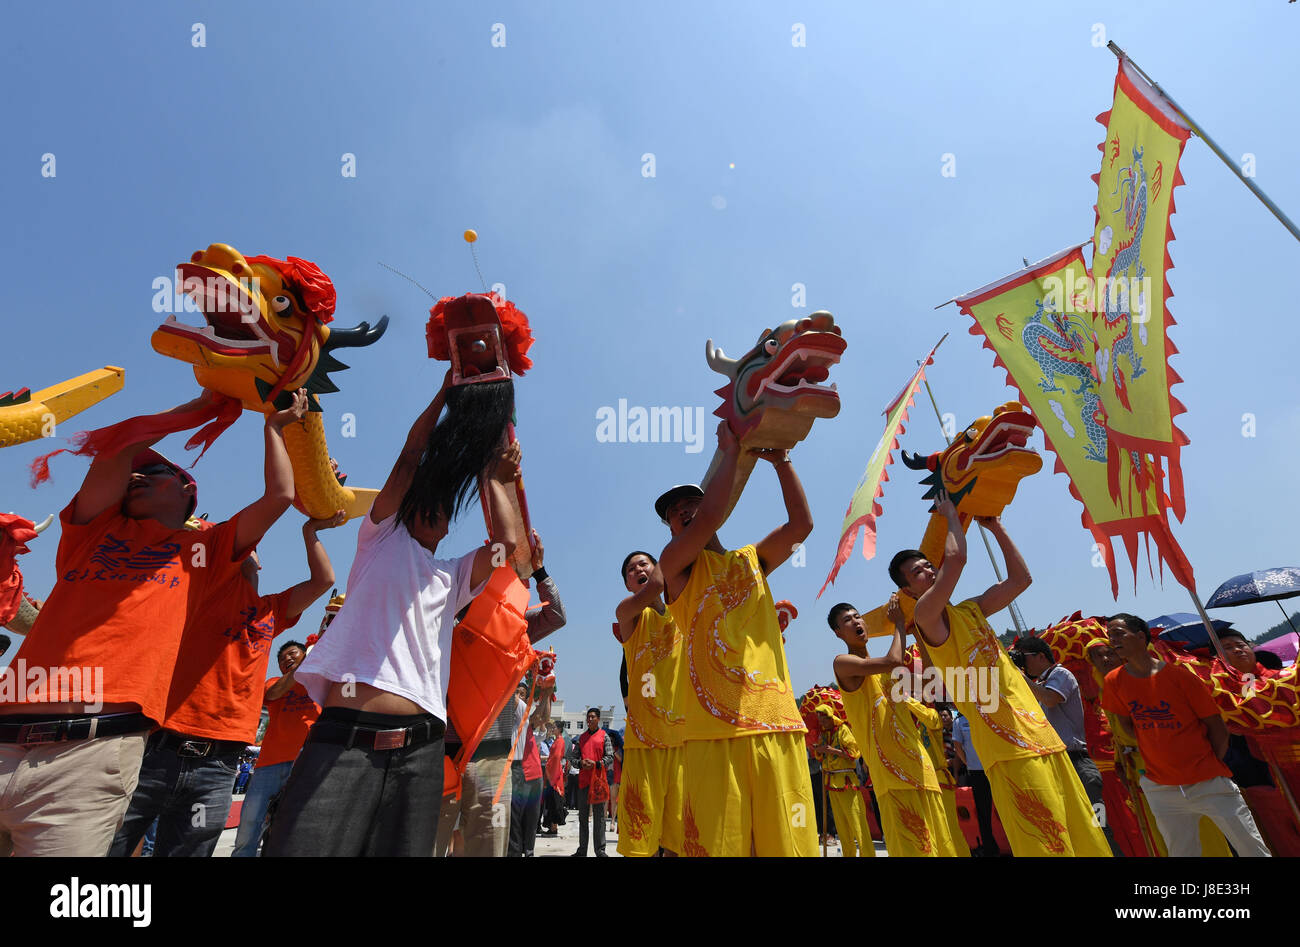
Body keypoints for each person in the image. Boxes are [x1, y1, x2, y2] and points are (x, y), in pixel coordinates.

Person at [0, 391, 304, 857]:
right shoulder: (92, 529)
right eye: (135, 473)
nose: (137, 474)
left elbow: (279, 496)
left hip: (92, 752)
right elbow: (117, 451)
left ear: (188, 492)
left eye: (155, 471)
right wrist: (203, 405)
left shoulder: (204, 555)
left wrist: (274, 427)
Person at [264, 370, 522, 857]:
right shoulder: (380, 536)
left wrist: (494, 480)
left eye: (446, 510)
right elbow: (409, 458)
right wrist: (445, 390)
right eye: (428, 502)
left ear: (448, 527)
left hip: (422, 747)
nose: (437, 512)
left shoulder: (452, 575)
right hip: (344, 738)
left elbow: (505, 546)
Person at [108, 500, 343, 857]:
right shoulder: (201, 594)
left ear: (259, 562)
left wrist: (309, 532)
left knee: (189, 851)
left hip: (220, 764)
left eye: (252, 551)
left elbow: (323, 581)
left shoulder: (272, 611)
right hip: (162, 750)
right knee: (112, 845)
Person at [892, 496, 1110, 857]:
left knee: (1082, 833)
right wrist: (951, 515)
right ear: (908, 591)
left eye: (929, 565)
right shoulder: (926, 615)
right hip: (1005, 746)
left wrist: (995, 527)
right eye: (918, 572)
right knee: (1043, 840)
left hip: (1042, 734)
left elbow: (1021, 579)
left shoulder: (970, 610)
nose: (929, 572)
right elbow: (957, 558)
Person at [656, 421, 817, 857]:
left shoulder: (752, 561)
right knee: (719, 846)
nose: (684, 511)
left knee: (784, 846)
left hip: (776, 721)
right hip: (712, 732)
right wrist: (731, 451)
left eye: (691, 502)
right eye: (674, 513)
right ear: (671, 529)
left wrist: (782, 462)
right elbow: (709, 519)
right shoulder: (672, 566)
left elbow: (801, 525)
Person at [437, 530, 565, 857]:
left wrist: (539, 571)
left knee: (488, 844)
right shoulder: (441, 606)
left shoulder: (511, 624)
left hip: (491, 754)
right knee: (430, 842)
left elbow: (555, 616)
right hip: (438, 750)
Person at [1101, 613, 1271, 857]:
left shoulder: (1180, 676)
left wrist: (1206, 763)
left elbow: (1217, 728)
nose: (1112, 640)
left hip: (1209, 781)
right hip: (1160, 787)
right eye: (1110, 635)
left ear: (1140, 636)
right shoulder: (1114, 681)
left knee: (1251, 849)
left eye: (1118, 633)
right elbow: (1126, 724)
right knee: (1181, 852)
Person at [829, 599, 958, 857]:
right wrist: (899, 622)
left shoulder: (890, 674)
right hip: (891, 775)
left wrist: (919, 632)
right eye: (847, 620)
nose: (856, 621)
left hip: (922, 767)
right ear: (838, 633)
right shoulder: (843, 663)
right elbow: (892, 659)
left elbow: (931, 680)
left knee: (942, 845)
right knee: (913, 848)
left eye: (857, 616)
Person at [1017, 635, 1123, 856]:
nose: (1021, 663)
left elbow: (1050, 699)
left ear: (1040, 656)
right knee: (1073, 830)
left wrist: (1019, 676)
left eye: (1022, 657)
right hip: (1057, 768)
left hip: (1079, 765)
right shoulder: (1037, 684)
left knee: (1099, 825)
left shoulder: (1060, 674)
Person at [613, 550, 685, 857]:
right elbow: (655, 588)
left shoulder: (684, 612)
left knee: (680, 837)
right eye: (631, 569)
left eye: (644, 563)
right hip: (644, 743)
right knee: (641, 841)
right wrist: (666, 567)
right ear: (629, 584)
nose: (638, 569)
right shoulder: (628, 615)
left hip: (684, 740)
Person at [231, 639, 321, 857]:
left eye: (293, 654)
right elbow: (272, 695)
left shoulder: (321, 684)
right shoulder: (273, 683)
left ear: (305, 654)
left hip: (307, 763)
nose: (287, 659)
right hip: (268, 764)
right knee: (250, 824)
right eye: (282, 659)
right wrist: (302, 665)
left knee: (298, 825)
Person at [812, 704, 873, 857]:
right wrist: (819, 750)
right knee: (842, 826)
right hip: (830, 781)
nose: (821, 722)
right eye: (819, 719)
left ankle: (867, 854)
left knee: (857, 823)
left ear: (830, 717)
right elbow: (821, 756)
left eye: (823, 719)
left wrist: (831, 750)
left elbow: (854, 753)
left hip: (847, 782)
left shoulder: (843, 730)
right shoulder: (824, 734)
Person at [952, 710, 999, 855]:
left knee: (1003, 809)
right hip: (977, 771)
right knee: (982, 811)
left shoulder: (988, 713)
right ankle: (990, 848)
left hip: (996, 768)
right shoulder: (960, 721)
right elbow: (958, 746)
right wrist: (969, 763)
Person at [568, 707, 613, 856]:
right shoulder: (581, 738)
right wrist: (581, 764)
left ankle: (600, 850)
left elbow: (610, 757)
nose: (590, 719)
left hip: (598, 783)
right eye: (588, 717)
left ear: (598, 719)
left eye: (593, 717)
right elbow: (573, 759)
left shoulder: (604, 736)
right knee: (583, 818)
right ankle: (582, 850)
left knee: (599, 818)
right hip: (583, 782)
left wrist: (597, 763)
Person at [541, 720, 567, 834]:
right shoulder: (557, 740)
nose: (552, 729)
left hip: (555, 776)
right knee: (552, 801)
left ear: (560, 729)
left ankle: (553, 827)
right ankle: (552, 826)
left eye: (554, 727)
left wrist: (549, 768)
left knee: (554, 802)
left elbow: (556, 758)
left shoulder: (560, 741)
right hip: (553, 773)